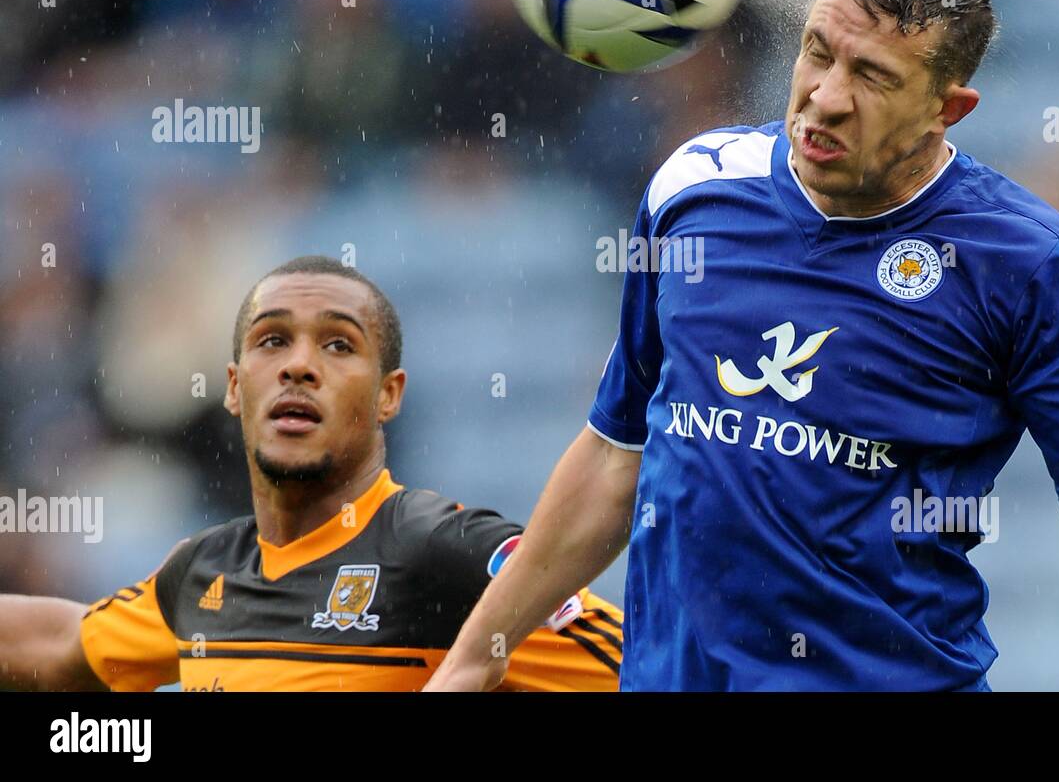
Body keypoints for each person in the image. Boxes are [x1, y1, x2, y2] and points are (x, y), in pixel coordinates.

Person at [426, 0, 1059, 692]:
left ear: (949, 108)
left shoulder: (1025, 263)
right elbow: (613, 457)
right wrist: (478, 651)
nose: (827, 98)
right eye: (817, 53)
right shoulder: (694, 189)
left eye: (872, 76)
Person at [0, 256, 622, 691]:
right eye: (272, 341)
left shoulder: (443, 555)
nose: (299, 366)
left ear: (388, 395)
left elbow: (660, 663)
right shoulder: (204, 575)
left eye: (338, 345)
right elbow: (57, 649)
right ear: (236, 389)